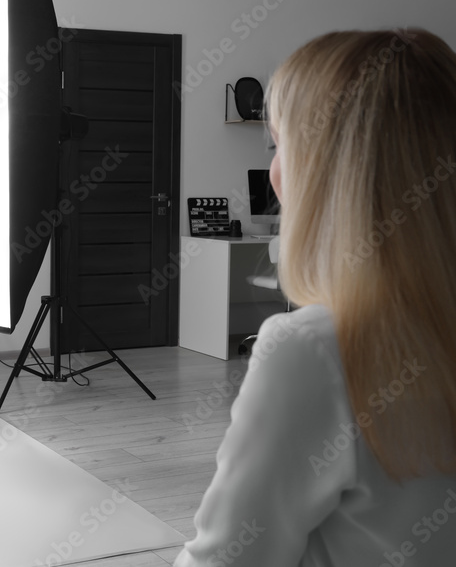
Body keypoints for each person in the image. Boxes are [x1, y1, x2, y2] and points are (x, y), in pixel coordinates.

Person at [175, 28, 456, 565]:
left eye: (280, 145)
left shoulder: (313, 351)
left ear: (331, 173)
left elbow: (226, 559)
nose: (276, 174)